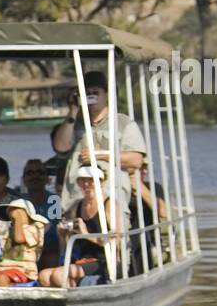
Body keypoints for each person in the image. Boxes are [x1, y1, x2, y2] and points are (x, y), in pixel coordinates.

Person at [50, 70, 147, 215]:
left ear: (107, 95)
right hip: (76, 197)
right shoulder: (73, 123)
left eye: (96, 92)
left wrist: (101, 155)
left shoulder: (123, 123)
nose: (91, 96)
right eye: (87, 92)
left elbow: (136, 160)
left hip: (112, 194)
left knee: (112, 215)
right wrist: (73, 111)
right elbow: (60, 147)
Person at [38, 166, 116, 288]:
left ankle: (81, 297)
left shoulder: (108, 204)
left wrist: (86, 234)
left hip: (103, 260)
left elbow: (115, 239)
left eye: (91, 180)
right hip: (82, 259)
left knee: (58, 275)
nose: (86, 184)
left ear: (101, 181)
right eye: (82, 180)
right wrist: (63, 236)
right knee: (44, 276)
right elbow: (70, 243)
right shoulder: (77, 206)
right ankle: (63, 304)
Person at [127, 163, 170, 275]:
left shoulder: (153, 187)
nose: (145, 171)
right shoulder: (116, 190)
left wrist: (140, 187)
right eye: (140, 168)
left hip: (148, 242)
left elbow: (163, 212)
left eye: (145, 168)